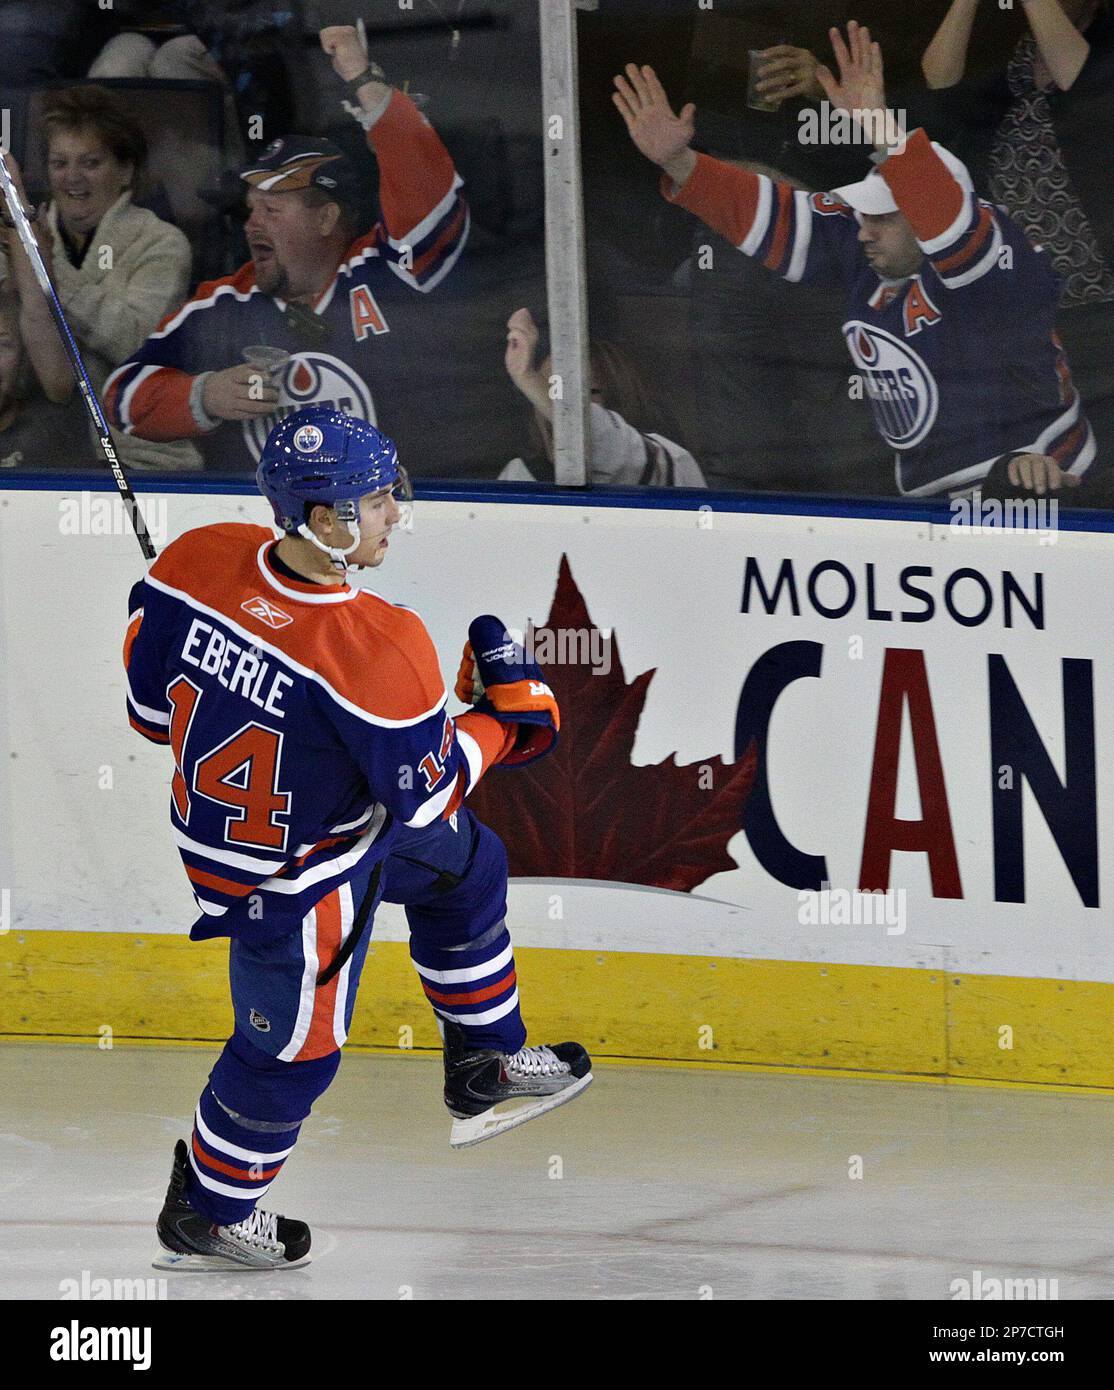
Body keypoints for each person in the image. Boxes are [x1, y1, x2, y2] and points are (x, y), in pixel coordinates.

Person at [125, 405, 591, 1271]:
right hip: (292, 884)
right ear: (323, 520)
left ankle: (483, 1060)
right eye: (375, 501)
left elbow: (150, 717)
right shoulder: (379, 646)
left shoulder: (193, 563)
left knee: (467, 864)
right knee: (290, 1057)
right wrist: (506, 721)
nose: (393, 515)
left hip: (326, 830)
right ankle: (210, 1209)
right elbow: (430, 791)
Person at [613, 23, 1096, 500]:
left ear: (921, 218)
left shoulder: (998, 256)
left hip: (1042, 479)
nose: (863, 231)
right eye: (863, 216)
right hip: (931, 496)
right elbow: (782, 214)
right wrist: (680, 162)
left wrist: (882, 128)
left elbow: (952, 226)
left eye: (883, 218)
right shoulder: (872, 247)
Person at [105, 23, 469, 477]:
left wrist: (362, 79)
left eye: (272, 208)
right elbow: (120, 395)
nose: (253, 223)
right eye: (251, 208)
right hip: (264, 535)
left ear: (326, 218)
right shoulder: (223, 304)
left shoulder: (388, 271)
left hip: (389, 524)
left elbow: (431, 198)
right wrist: (206, 394)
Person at [920, 0, 1114, 465]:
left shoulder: (1100, 46)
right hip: (1018, 310)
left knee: (1098, 453)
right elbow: (938, 79)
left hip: (1096, 305)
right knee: (1035, 456)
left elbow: (1083, 82)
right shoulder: (1014, 53)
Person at [0, 87, 200, 471]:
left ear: (125, 170)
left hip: (141, 461)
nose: (72, 178)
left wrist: (43, 267)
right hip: (39, 451)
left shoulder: (161, 243)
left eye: (90, 163)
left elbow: (136, 340)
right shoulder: (21, 231)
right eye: (60, 163)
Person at [500, 306, 705, 487]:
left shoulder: (672, 463)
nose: (549, 404)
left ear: (619, 395)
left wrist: (528, 378)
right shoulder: (519, 476)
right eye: (541, 391)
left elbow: (616, 449)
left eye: (584, 394)